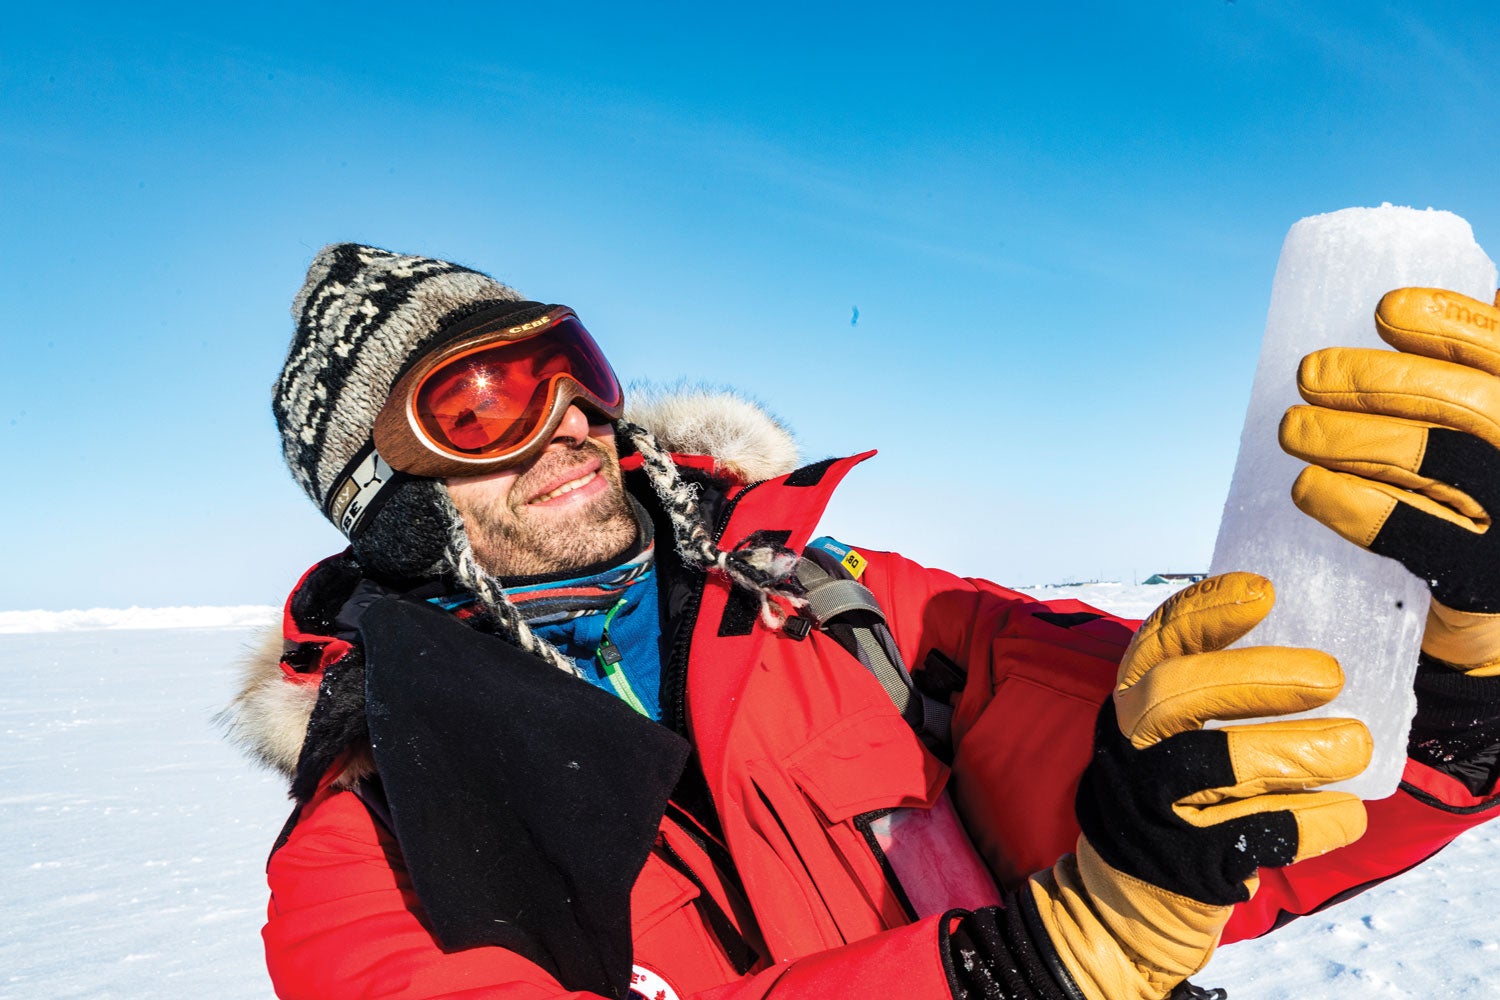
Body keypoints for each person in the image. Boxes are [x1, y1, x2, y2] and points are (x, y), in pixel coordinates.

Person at [225, 245, 1500, 1000]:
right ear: (381, 498)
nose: (565, 417)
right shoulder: (369, 840)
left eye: (573, 366)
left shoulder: (843, 607)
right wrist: (1018, 973)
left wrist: (1447, 694)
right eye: (483, 399)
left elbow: (1213, 764)